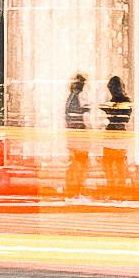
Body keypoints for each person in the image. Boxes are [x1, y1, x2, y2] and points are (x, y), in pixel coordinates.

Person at [99, 72, 133, 195]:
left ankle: (112, 186)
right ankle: (120, 187)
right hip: (121, 134)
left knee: (108, 162)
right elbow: (126, 118)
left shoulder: (114, 103)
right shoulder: (127, 102)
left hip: (112, 133)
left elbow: (116, 116)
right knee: (119, 162)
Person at [61, 70, 91, 198]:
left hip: (74, 133)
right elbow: (75, 115)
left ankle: (74, 188)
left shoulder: (71, 96)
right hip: (78, 134)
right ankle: (75, 188)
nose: (84, 86)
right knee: (80, 162)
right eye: (82, 83)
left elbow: (69, 115)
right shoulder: (76, 96)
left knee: (77, 161)